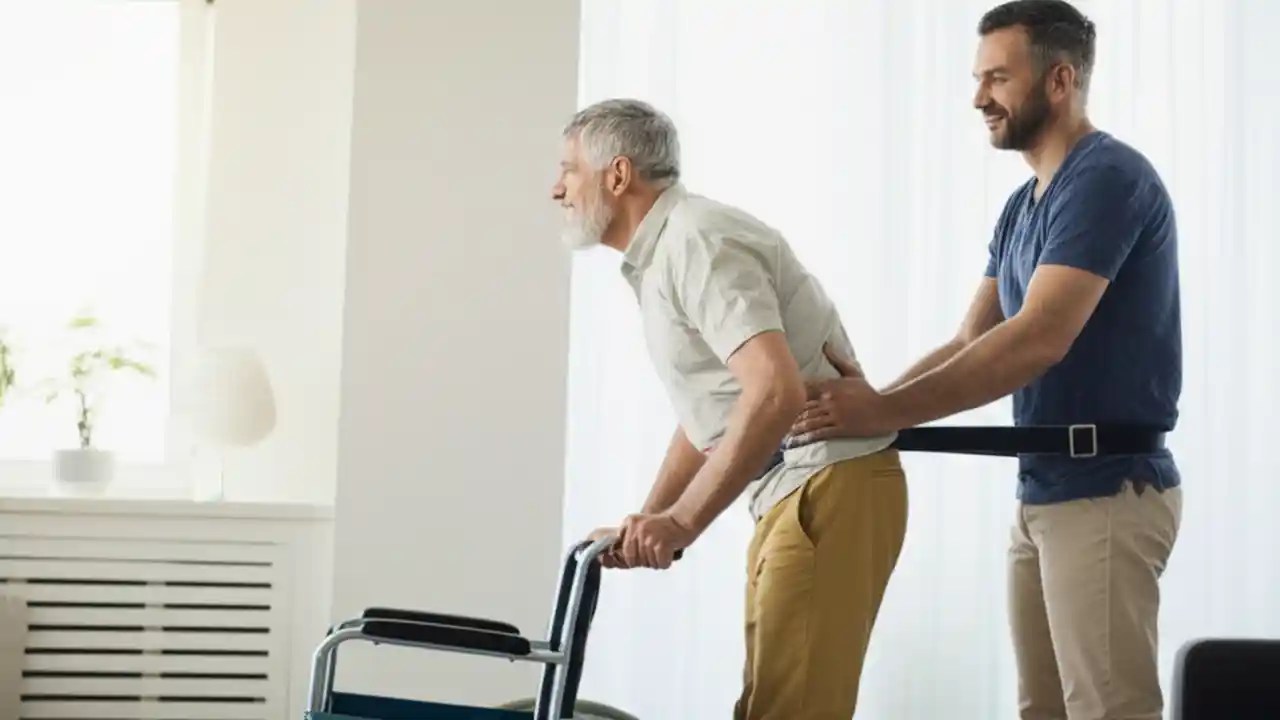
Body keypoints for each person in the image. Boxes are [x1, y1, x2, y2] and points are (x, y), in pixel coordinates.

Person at [790, 2, 1182, 718]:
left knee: (1108, 710)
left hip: (1106, 491)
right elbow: (973, 338)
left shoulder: (1106, 179)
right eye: (978, 79)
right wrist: (859, 405)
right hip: (1045, 493)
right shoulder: (1021, 206)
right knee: (1044, 711)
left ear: (1059, 80)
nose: (979, 98)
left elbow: (1038, 338)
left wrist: (881, 410)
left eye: (998, 78)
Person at [553, 98, 907, 719]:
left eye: (568, 170)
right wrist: (652, 518)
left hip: (825, 483)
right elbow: (712, 415)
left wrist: (683, 523)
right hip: (799, 489)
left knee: (790, 710)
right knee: (767, 706)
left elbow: (775, 391)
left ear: (618, 174)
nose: (557, 190)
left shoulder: (696, 240)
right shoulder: (666, 252)